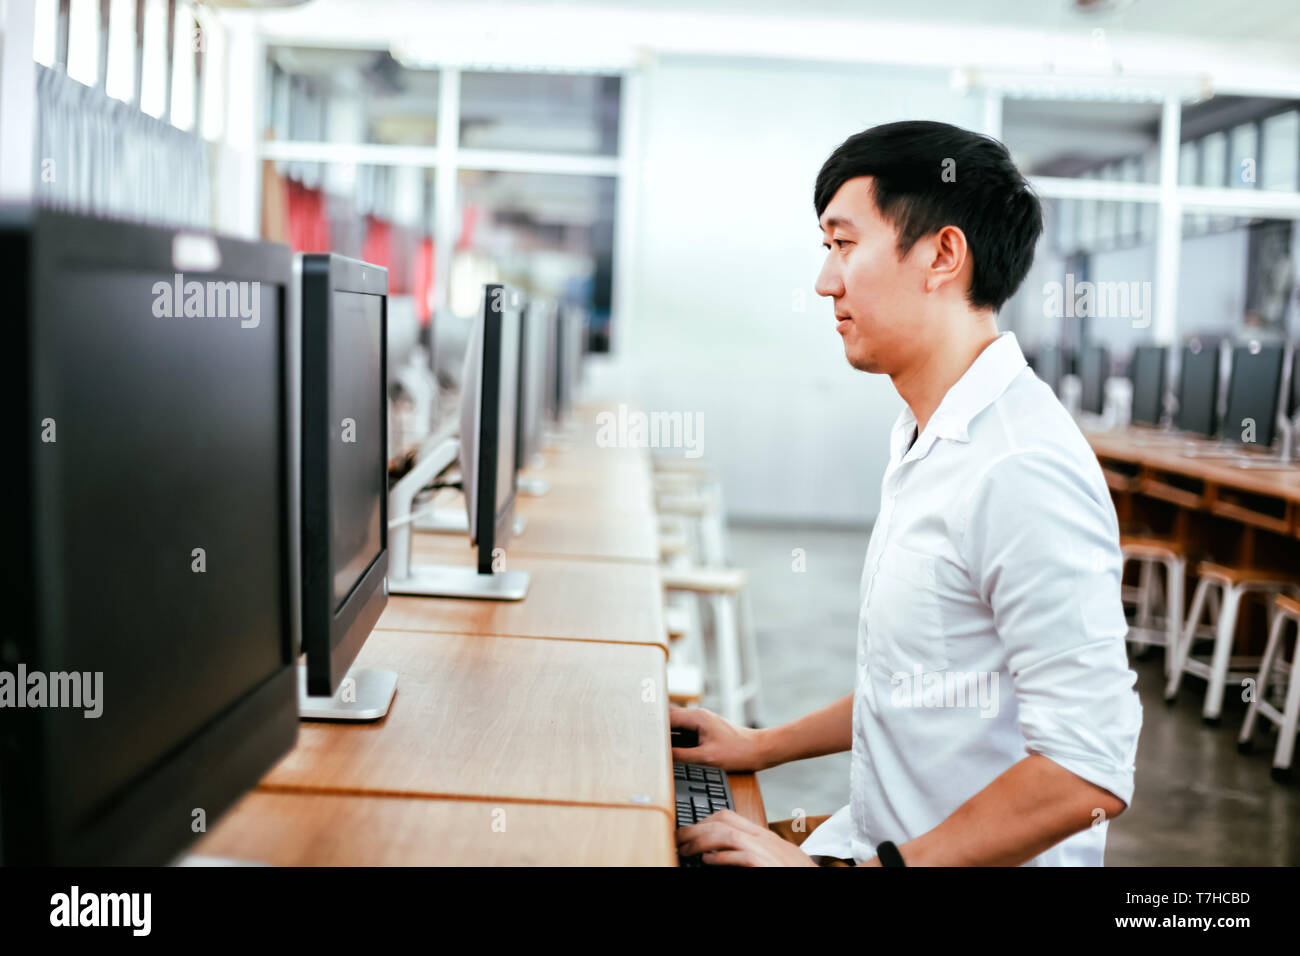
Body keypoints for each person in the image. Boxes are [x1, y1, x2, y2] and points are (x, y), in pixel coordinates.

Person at [672, 120, 1142, 867]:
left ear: (942, 256)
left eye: (844, 244)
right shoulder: (931, 432)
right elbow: (924, 688)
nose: (826, 281)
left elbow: (1089, 770)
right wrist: (759, 746)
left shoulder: (1018, 467)